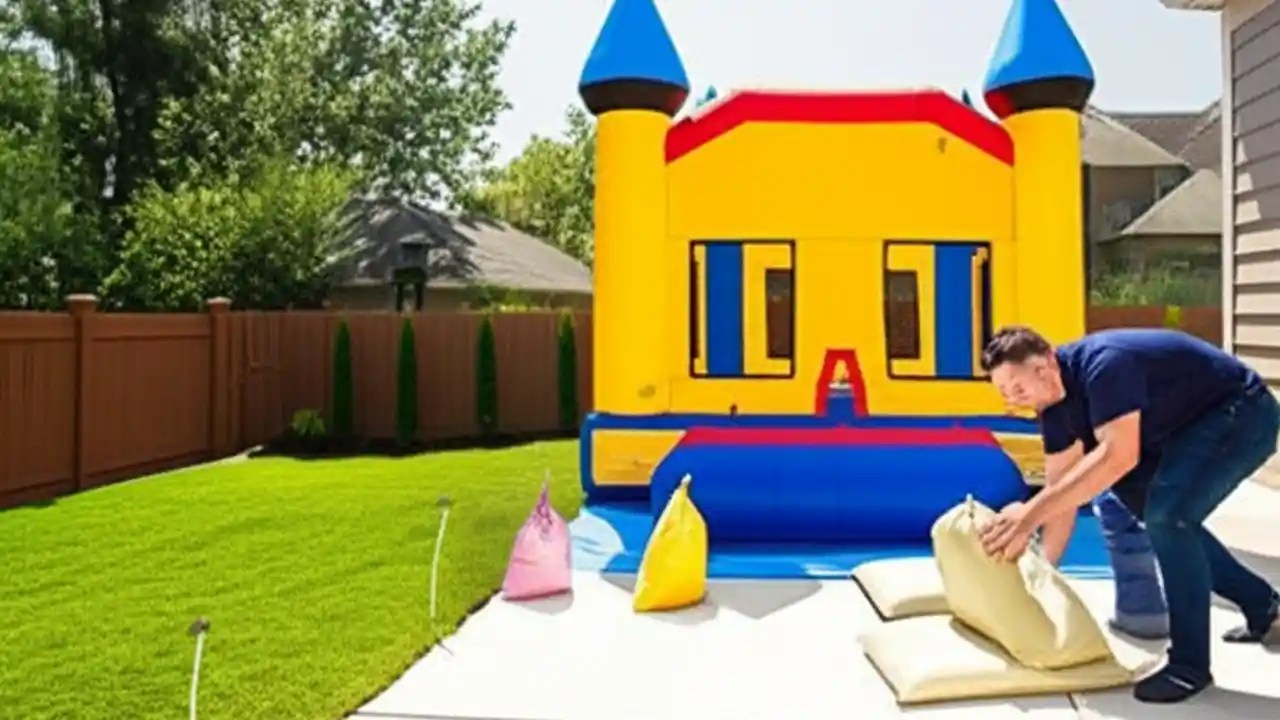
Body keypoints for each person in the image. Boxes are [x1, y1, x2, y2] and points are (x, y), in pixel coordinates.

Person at [977, 325, 1280, 704]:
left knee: (1169, 519)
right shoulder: (1053, 412)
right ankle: (1265, 607)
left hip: (1241, 411)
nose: (1013, 400)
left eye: (1017, 387)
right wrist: (1039, 578)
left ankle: (1189, 667)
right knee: (1163, 522)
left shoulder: (1106, 366)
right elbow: (1059, 499)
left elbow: (1119, 455)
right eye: (1004, 392)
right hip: (1178, 430)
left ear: (1046, 365)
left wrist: (1027, 515)